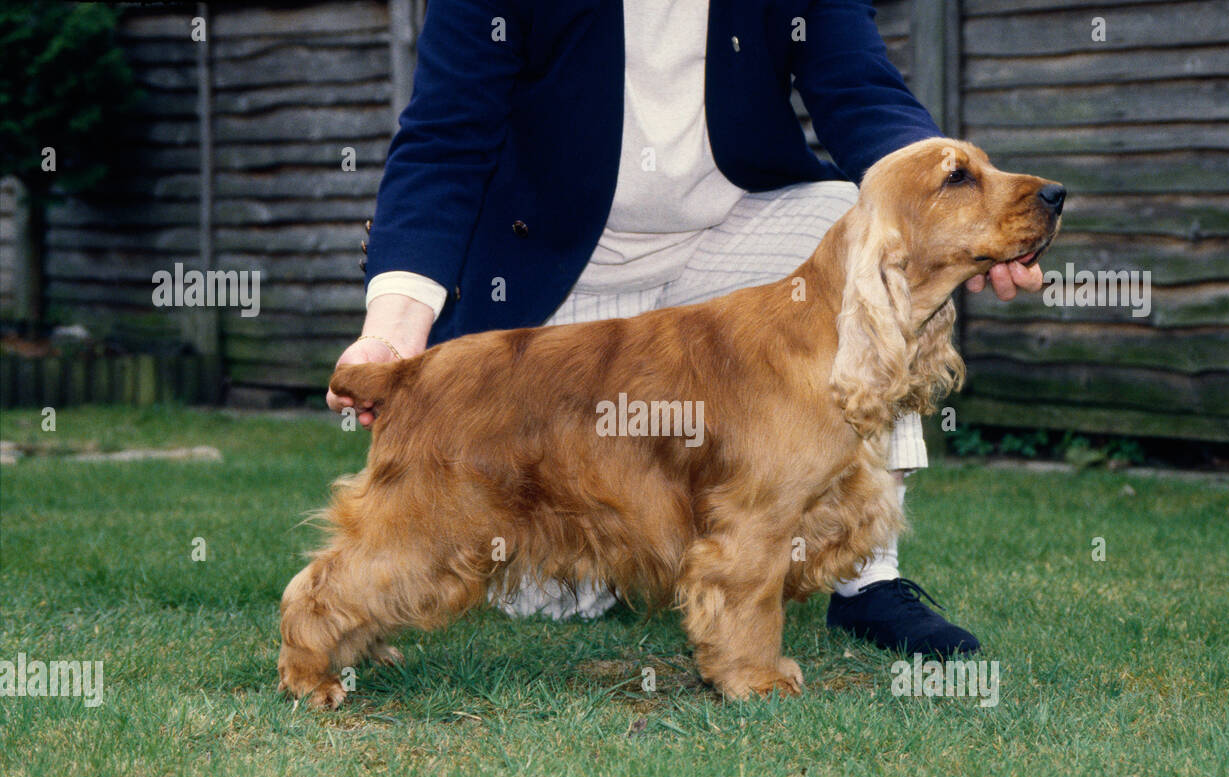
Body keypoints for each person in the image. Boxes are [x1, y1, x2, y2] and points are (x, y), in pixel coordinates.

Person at [328, 0, 1043, 655]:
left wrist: (956, 219)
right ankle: (687, 544)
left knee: (861, 232)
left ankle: (869, 581)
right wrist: (391, 333)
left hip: (733, 246)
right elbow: (443, 141)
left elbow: (856, 83)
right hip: (559, 275)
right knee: (553, 585)